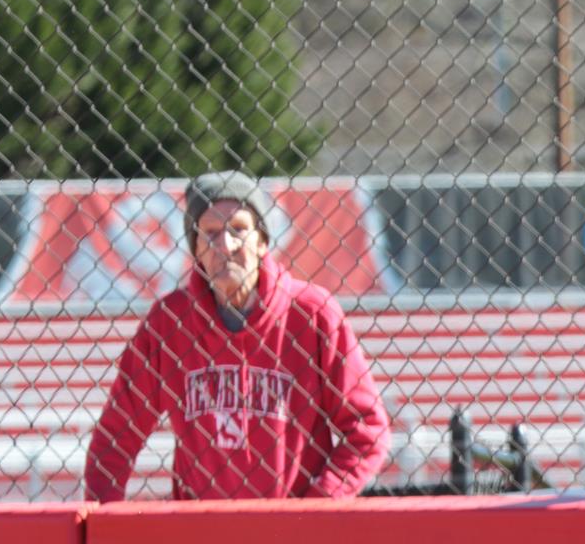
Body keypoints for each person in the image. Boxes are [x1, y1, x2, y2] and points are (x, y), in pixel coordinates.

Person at [85, 171, 391, 501]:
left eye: (238, 230)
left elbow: (367, 431)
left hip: (292, 534)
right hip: (202, 534)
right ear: (196, 248)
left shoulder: (313, 315)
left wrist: (317, 505)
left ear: (261, 242)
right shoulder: (168, 324)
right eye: (211, 233)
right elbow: (116, 437)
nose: (226, 246)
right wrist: (101, 526)